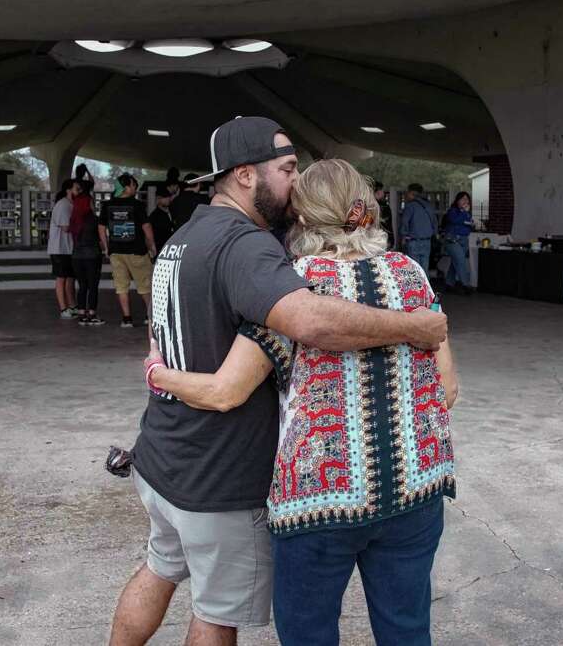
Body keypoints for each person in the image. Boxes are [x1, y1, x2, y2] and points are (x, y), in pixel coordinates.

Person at [107, 116, 448, 646]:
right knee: (219, 613)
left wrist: (158, 372)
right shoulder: (267, 254)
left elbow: (206, 359)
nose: (293, 182)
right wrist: (416, 327)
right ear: (245, 174)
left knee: (160, 572)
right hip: (221, 473)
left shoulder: (181, 241)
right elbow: (313, 324)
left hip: (170, 456)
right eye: (287, 168)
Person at [98, 173, 156, 328]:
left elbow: (101, 227)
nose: (135, 189)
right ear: (127, 187)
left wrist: (106, 247)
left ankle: (127, 318)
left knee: (121, 286)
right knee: (144, 285)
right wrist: (152, 245)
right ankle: (149, 316)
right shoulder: (137, 205)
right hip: (137, 251)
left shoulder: (107, 205)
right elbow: (147, 227)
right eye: (134, 185)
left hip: (116, 252)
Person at [69, 180, 105, 326]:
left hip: (77, 256)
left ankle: (82, 314)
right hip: (92, 255)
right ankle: (92, 314)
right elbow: (100, 239)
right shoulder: (94, 220)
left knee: (82, 286)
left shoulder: (74, 219)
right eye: (91, 202)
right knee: (93, 285)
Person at [49, 179, 80, 318]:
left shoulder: (71, 204)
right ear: (68, 190)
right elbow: (65, 228)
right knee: (61, 278)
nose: (78, 191)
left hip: (69, 248)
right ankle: (63, 308)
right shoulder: (62, 205)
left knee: (71, 278)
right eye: (76, 188)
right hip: (59, 249)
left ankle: (73, 306)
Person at [441, 191, 476, 294]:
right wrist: (464, 212)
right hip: (452, 239)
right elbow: (455, 220)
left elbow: (466, 224)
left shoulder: (468, 213)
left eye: (467, 199)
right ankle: (465, 285)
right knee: (460, 260)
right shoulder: (453, 211)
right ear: (457, 201)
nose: (465, 201)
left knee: (455, 262)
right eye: (462, 199)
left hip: (464, 239)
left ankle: (449, 283)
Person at [400, 183, 437, 274]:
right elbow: (435, 224)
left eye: (407, 193)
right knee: (424, 270)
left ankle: (416, 288)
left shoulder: (410, 206)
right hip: (427, 242)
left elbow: (405, 223)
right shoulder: (429, 206)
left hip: (413, 241)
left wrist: (403, 236)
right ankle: (425, 288)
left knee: (414, 271)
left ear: (411, 193)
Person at [373, 180, 393, 248]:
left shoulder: (366, 207)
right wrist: (391, 240)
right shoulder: (383, 207)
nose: (383, 193)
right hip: (381, 240)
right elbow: (388, 225)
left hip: (371, 241)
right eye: (382, 190)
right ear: (378, 192)